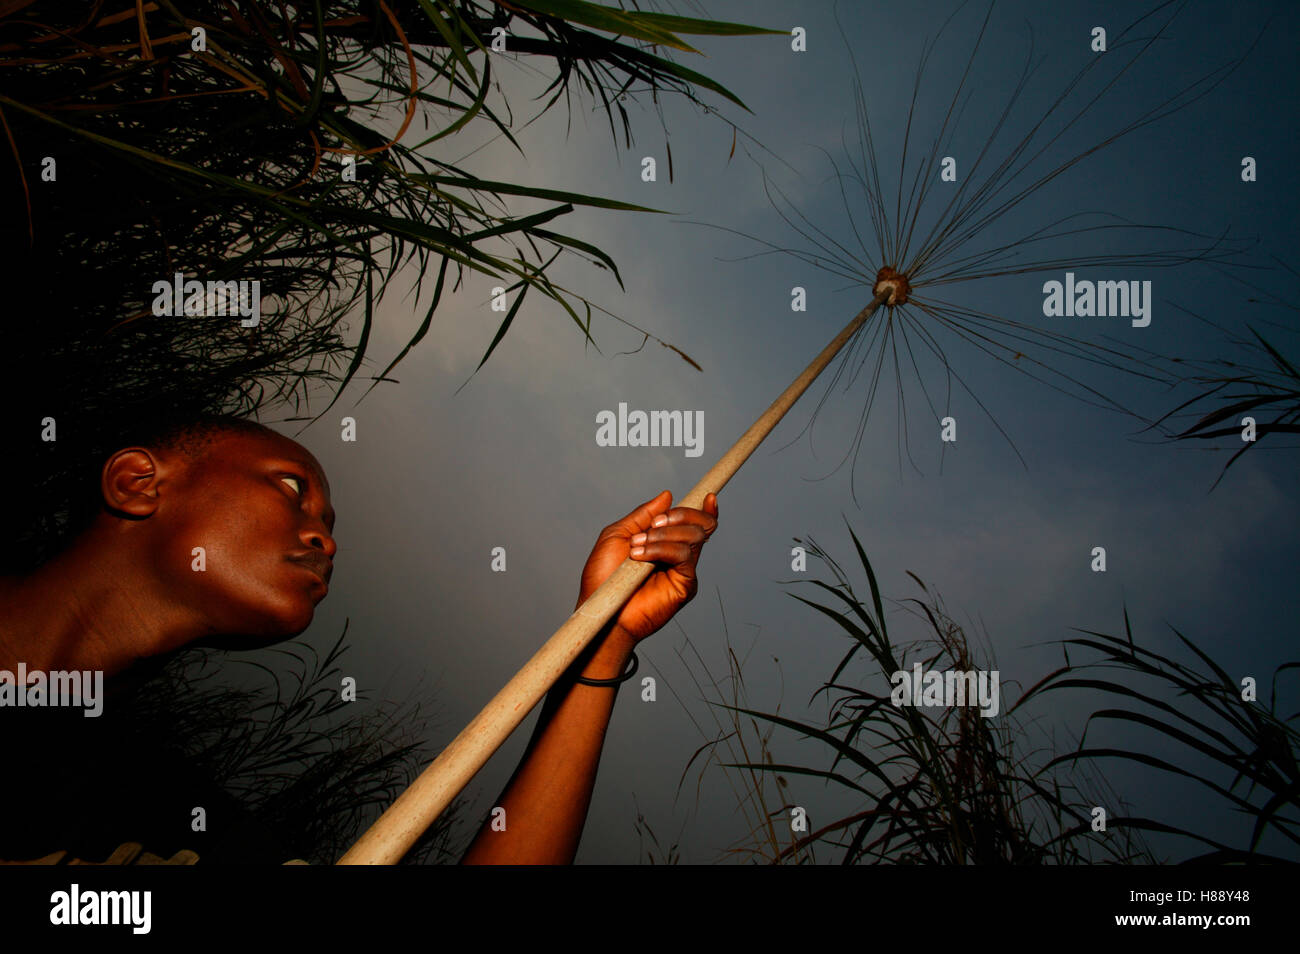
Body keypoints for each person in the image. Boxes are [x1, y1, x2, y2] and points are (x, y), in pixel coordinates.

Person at [0, 416, 719, 864]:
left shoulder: (153, 815)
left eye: (332, 523)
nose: (325, 539)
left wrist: (600, 641)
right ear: (136, 482)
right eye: (291, 489)